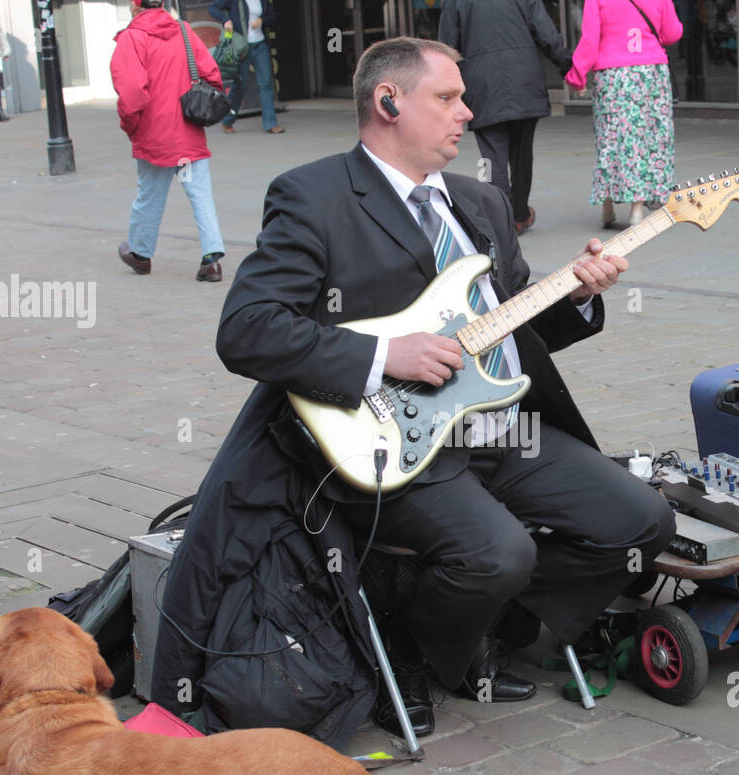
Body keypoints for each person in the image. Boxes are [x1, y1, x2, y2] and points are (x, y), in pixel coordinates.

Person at [213, 37, 676, 732]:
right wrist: (380, 354)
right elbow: (246, 329)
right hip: (393, 436)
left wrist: (578, 294)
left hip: (503, 426)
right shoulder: (314, 196)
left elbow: (519, 325)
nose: (468, 110)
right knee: (498, 552)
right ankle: (410, 648)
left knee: (641, 521)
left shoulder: (481, 202)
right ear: (388, 101)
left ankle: (477, 621)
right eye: (448, 96)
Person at [110, 0, 228, 281]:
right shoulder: (184, 31)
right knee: (200, 194)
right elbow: (211, 74)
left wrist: (132, 128)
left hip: (155, 137)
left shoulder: (132, 38)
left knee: (150, 194)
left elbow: (132, 95)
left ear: (134, 6)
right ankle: (211, 260)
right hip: (187, 134)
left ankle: (140, 254)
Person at [439, 0, 572, 235]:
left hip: (482, 85)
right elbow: (546, 33)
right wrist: (566, 65)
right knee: (522, 154)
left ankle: (500, 218)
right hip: (525, 79)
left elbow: (447, 48)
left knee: (490, 159)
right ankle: (519, 215)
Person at [565, 0, 683, 228]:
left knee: (609, 139)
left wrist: (576, 76)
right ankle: (637, 209)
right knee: (648, 141)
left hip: (612, 75)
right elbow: (672, 33)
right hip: (650, 73)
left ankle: (607, 206)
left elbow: (590, 40)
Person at [207, 0, 282, 133]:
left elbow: (273, 17)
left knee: (266, 84)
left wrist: (262, 21)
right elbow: (213, 8)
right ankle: (228, 119)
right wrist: (226, 20)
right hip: (242, 46)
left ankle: (270, 123)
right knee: (240, 85)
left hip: (260, 45)